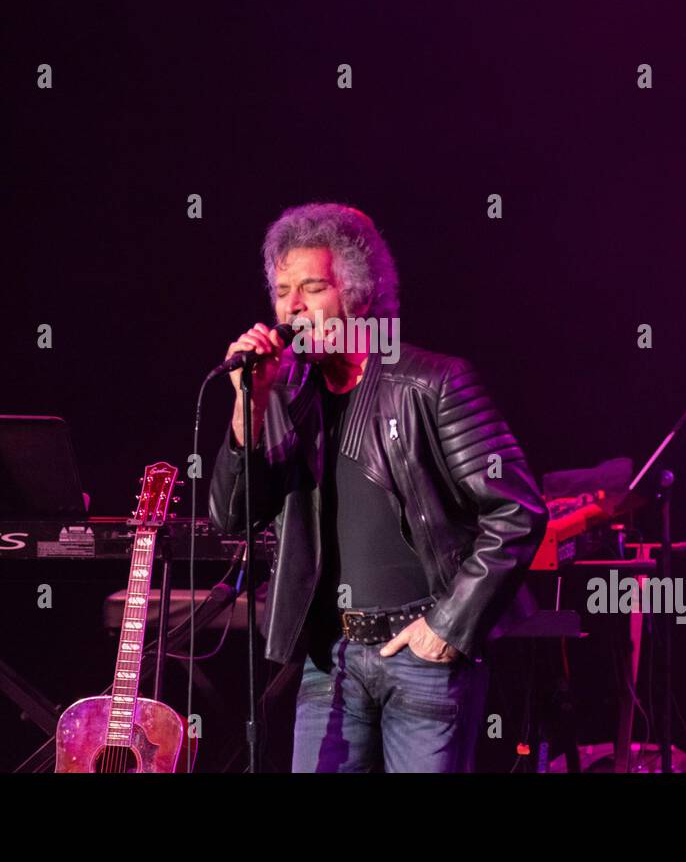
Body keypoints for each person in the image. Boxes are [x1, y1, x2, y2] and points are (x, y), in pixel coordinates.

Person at [208, 202, 547, 772]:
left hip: (422, 656)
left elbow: (516, 511)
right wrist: (251, 404)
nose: (291, 307)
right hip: (329, 659)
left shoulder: (432, 382)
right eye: (283, 289)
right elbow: (231, 517)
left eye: (312, 288)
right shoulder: (284, 393)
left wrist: (447, 627)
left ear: (359, 294)